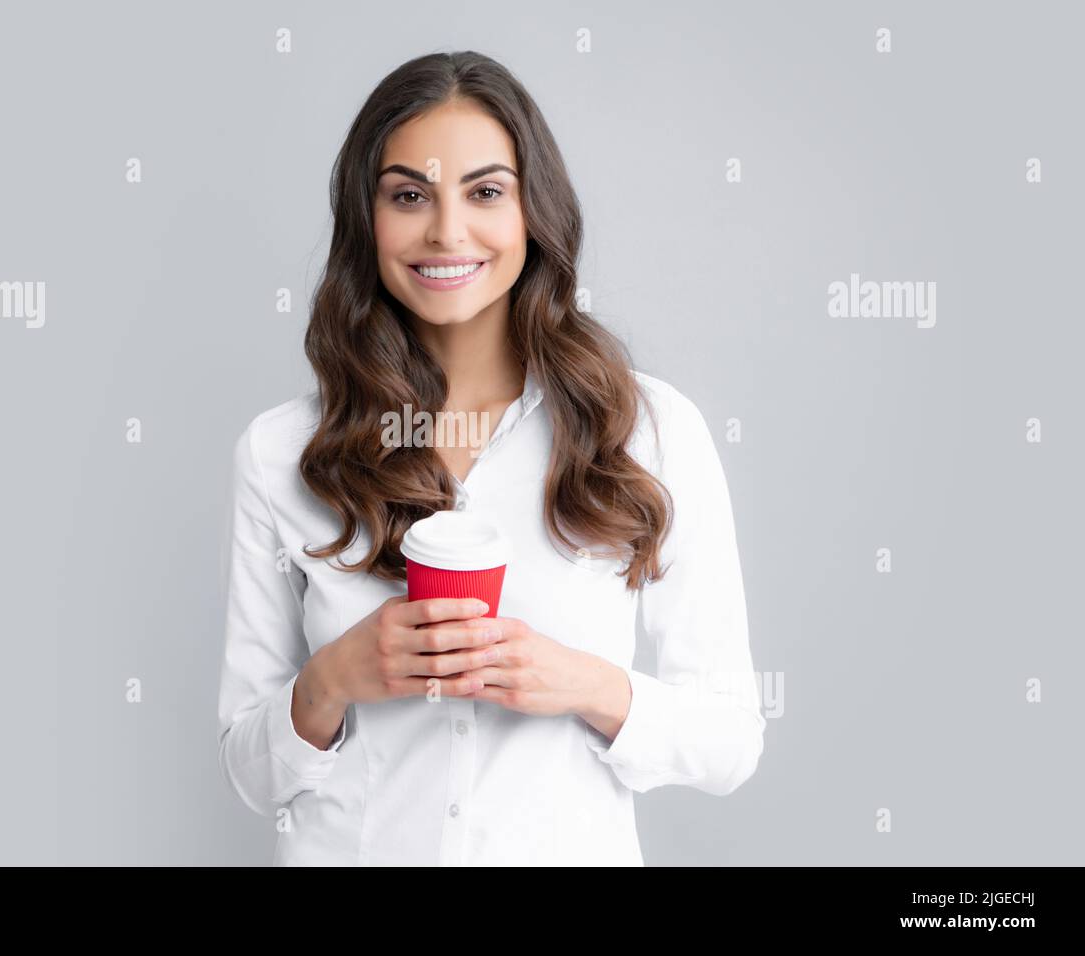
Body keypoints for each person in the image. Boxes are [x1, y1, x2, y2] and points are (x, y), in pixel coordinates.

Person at [217, 50, 764, 866]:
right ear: (366, 219)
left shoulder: (649, 432)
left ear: (531, 210)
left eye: (484, 192)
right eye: (409, 195)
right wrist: (333, 677)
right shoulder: (281, 453)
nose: (446, 230)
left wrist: (585, 686)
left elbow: (730, 742)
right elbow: (251, 775)